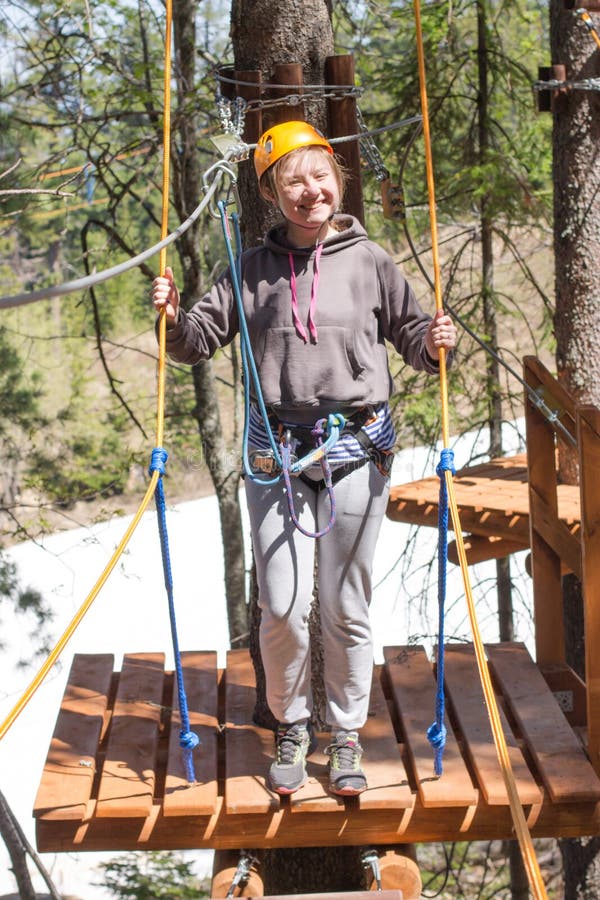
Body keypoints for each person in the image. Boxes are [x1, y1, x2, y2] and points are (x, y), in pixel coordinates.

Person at [151, 120, 457, 798]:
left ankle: (345, 733)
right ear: (271, 194)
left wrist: (436, 342)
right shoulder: (251, 270)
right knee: (283, 608)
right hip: (277, 453)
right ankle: (291, 725)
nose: (309, 191)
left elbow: (412, 336)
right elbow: (197, 338)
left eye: (320, 177)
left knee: (346, 605)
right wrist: (171, 318)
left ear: (337, 182)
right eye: (293, 182)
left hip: (357, 445)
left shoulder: (370, 261)